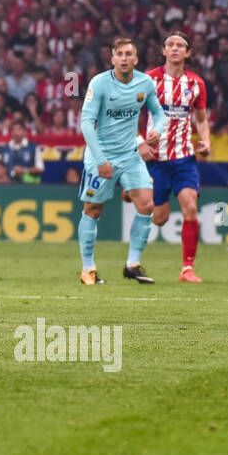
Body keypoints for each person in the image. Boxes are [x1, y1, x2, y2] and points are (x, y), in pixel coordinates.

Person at [77, 37, 167, 285]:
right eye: (120, 54)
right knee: (93, 210)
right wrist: (101, 160)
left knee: (147, 205)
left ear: (136, 59)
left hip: (130, 154)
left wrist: (157, 130)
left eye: (129, 54)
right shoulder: (100, 83)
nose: (125, 58)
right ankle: (88, 269)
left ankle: (133, 265)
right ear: (112, 58)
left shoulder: (145, 82)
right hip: (101, 155)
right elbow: (86, 123)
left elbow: (158, 113)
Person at [144, 31, 212, 283]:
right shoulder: (148, 80)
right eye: (169, 45)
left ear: (187, 53)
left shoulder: (196, 84)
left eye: (179, 45)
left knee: (191, 207)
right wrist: (140, 143)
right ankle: (133, 189)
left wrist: (205, 139)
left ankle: (187, 269)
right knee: (160, 219)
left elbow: (202, 119)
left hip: (184, 157)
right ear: (163, 51)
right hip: (156, 158)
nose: (174, 49)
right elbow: (130, 114)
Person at [2, 119, 44, 183]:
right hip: (8, 184)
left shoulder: (33, 147)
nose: (15, 132)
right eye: (13, 130)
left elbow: (40, 168)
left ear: (24, 131)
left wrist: (24, 170)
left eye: (18, 129)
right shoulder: (5, 148)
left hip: (29, 184)